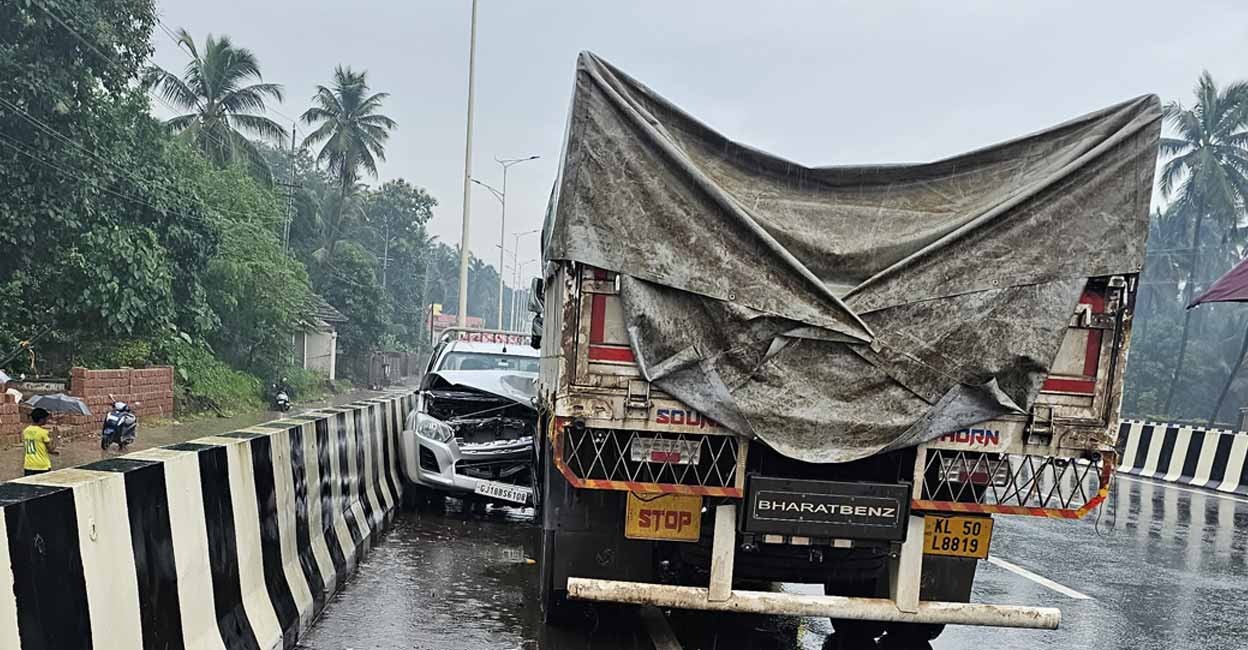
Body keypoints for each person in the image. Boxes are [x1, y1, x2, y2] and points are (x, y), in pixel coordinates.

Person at [22, 407, 55, 476]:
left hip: (29, 465)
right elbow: (50, 449)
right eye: (46, 418)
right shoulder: (43, 432)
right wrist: (56, 437)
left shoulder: (26, 431)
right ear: (41, 420)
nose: (47, 420)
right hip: (42, 466)